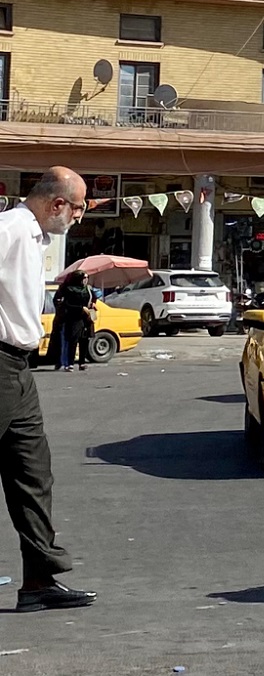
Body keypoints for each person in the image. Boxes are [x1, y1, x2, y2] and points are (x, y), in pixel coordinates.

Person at [0, 168, 96, 611]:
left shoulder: (35, 238)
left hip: (19, 368)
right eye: (78, 208)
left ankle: (39, 580)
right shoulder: (11, 229)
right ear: (57, 203)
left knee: (33, 475)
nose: (78, 217)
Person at [51, 270, 95, 373]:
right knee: (73, 340)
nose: (86, 280)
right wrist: (80, 308)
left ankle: (82, 363)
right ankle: (69, 363)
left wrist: (92, 305)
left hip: (86, 318)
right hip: (72, 318)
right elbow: (64, 304)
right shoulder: (67, 289)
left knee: (85, 339)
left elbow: (93, 298)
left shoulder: (87, 289)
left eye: (87, 278)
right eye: (84, 278)